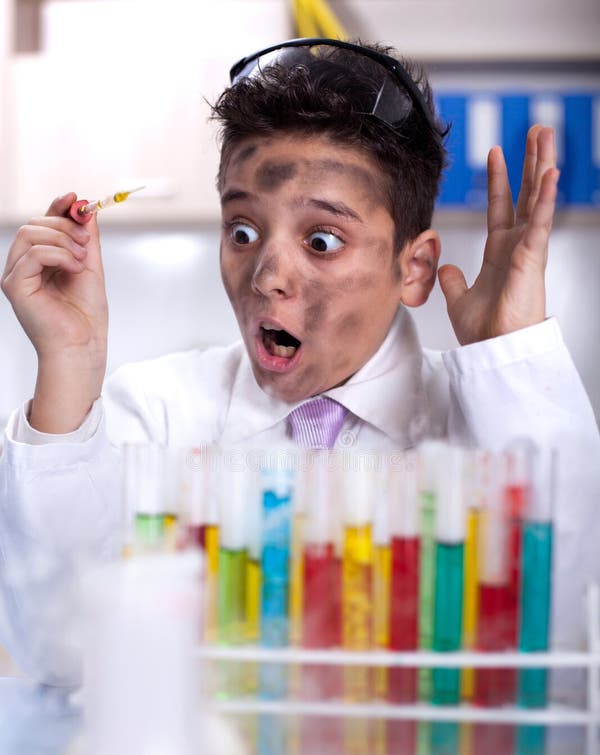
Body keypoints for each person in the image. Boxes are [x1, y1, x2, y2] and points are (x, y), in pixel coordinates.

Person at [0, 39, 599, 684]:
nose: (267, 276)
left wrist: (515, 358)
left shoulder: (491, 423)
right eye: (242, 231)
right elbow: (60, 653)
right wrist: (69, 361)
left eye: (321, 240)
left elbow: (567, 646)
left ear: (414, 267)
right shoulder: (156, 414)